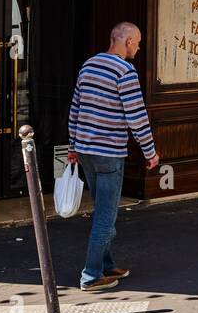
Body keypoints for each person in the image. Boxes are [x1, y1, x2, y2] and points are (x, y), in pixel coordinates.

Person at [67, 22, 159, 292]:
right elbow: (137, 116)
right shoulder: (125, 71)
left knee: (102, 209)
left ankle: (106, 265)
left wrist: (72, 145)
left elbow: (75, 108)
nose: (139, 48)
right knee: (106, 216)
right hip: (108, 153)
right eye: (138, 42)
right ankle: (91, 275)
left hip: (85, 150)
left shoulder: (89, 65)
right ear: (128, 41)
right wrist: (150, 152)